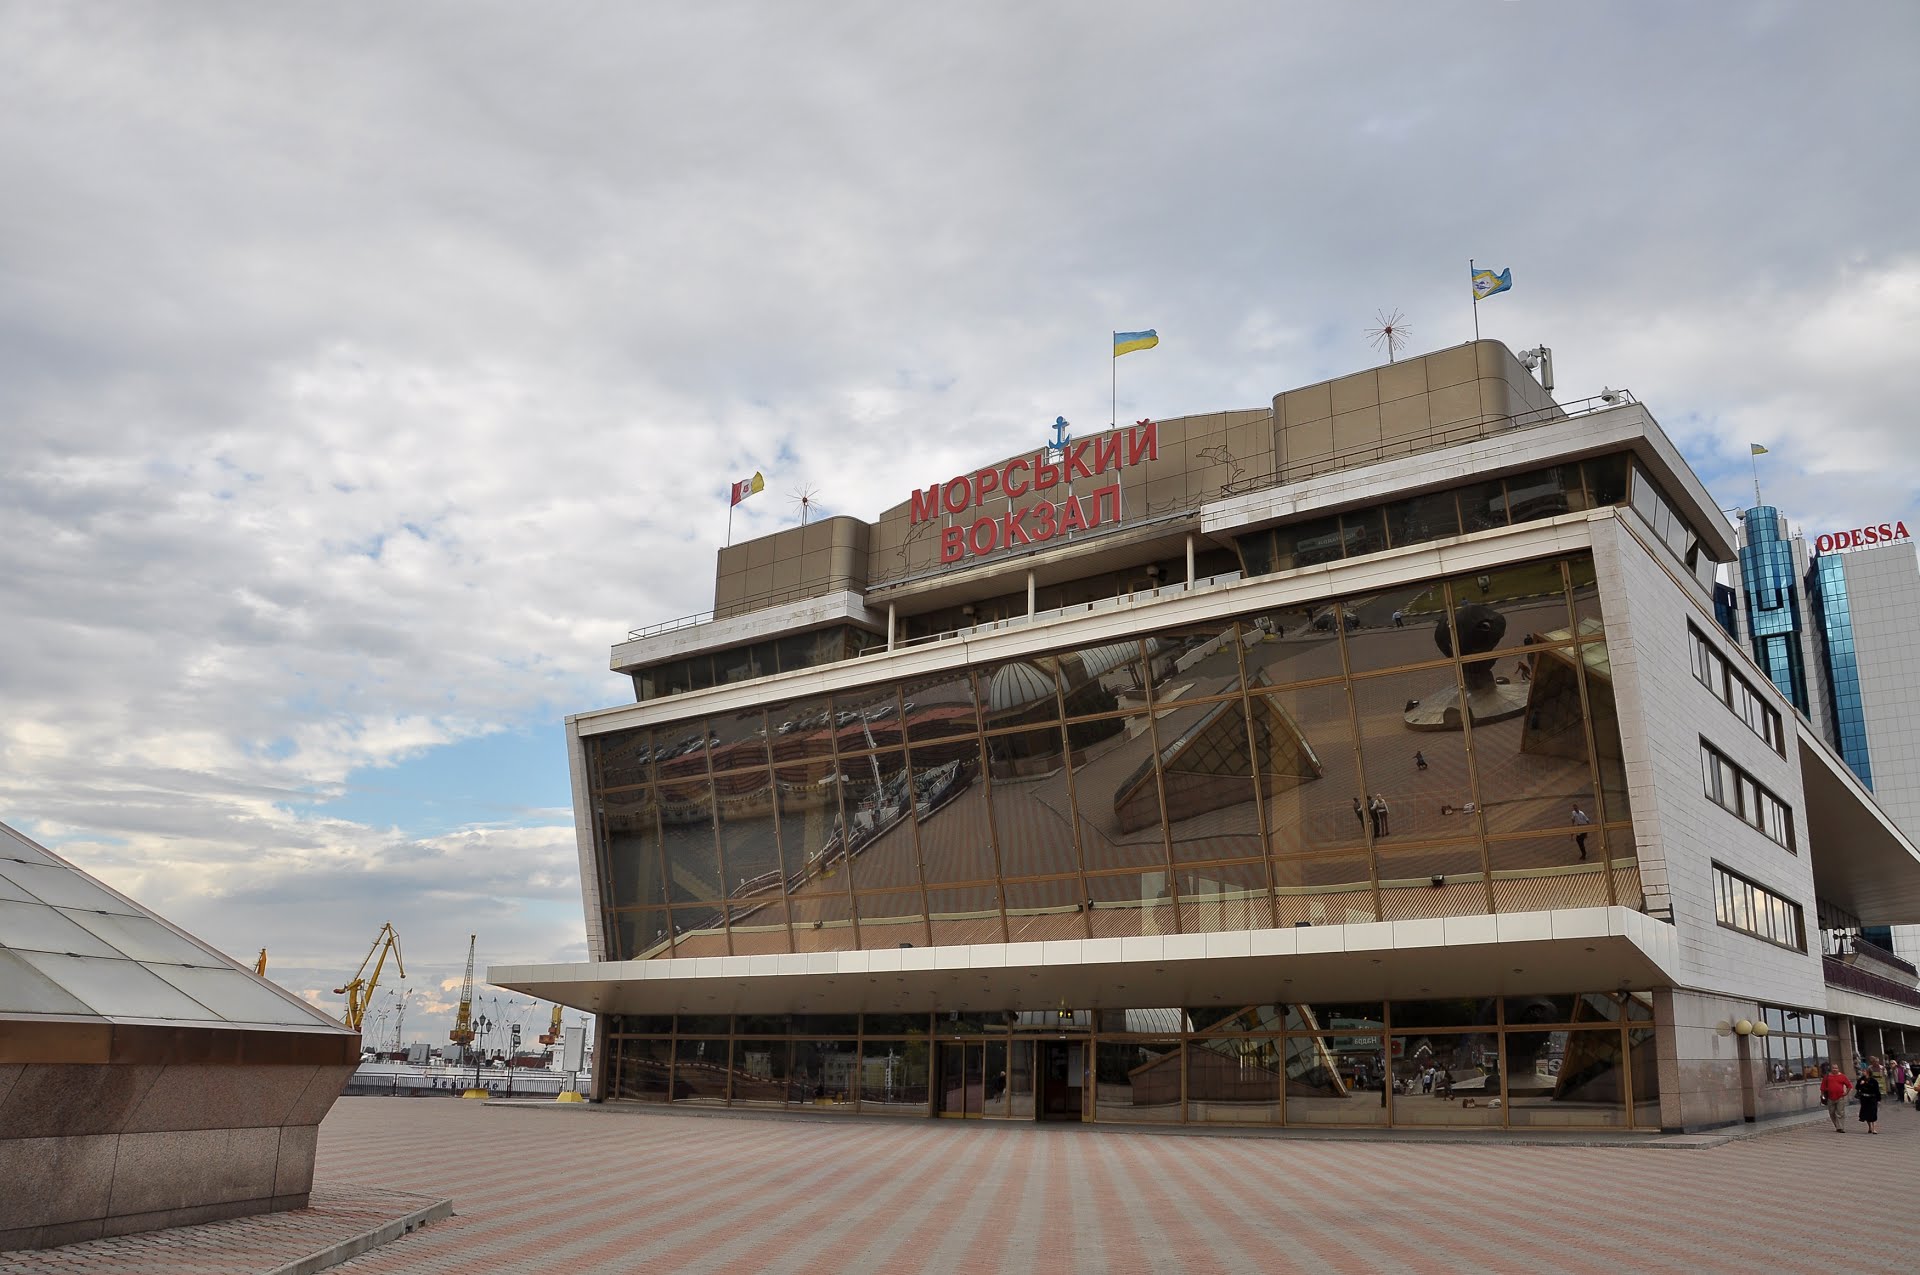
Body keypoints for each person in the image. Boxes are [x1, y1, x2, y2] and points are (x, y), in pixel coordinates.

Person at [1820, 1063, 1851, 1131]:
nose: (1835, 1069)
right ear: (1831, 1069)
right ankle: (1837, 1125)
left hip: (1840, 1097)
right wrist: (1822, 1095)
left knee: (1840, 1112)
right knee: (1832, 1112)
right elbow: (1822, 1087)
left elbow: (1849, 1085)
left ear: (1838, 1069)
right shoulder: (1827, 1077)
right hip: (1830, 1097)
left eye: (1836, 1068)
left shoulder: (1842, 1076)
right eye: (1833, 1068)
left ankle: (1840, 1127)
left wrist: (1846, 1093)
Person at [1858, 1065, 1883, 1133]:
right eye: (1863, 1071)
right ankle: (1870, 1127)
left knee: (1873, 1112)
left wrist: (1879, 1099)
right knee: (1866, 1113)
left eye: (1864, 1071)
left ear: (1868, 1072)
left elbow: (1876, 1090)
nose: (1863, 1072)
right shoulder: (1861, 1079)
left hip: (1872, 1098)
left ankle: (1874, 1128)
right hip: (1864, 1098)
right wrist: (1861, 1084)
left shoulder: (1873, 1080)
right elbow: (1857, 1087)